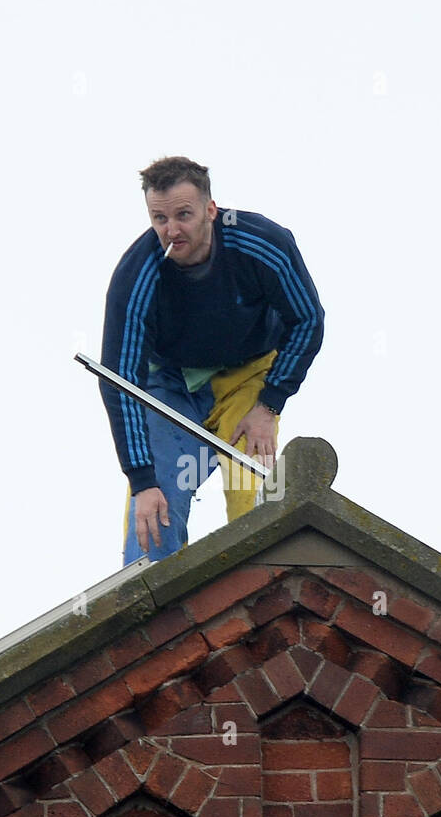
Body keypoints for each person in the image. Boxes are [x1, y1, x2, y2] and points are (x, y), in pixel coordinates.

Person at [99, 156, 324, 565]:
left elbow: (308, 319)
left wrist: (269, 403)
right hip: (172, 384)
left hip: (248, 377)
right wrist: (141, 478)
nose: (172, 230)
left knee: (251, 486)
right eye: (160, 218)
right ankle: (149, 599)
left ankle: (262, 589)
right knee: (153, 504)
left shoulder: (262, 244)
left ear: (210, 210)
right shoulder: (137, 274)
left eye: (183, 215)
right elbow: (119, 381)